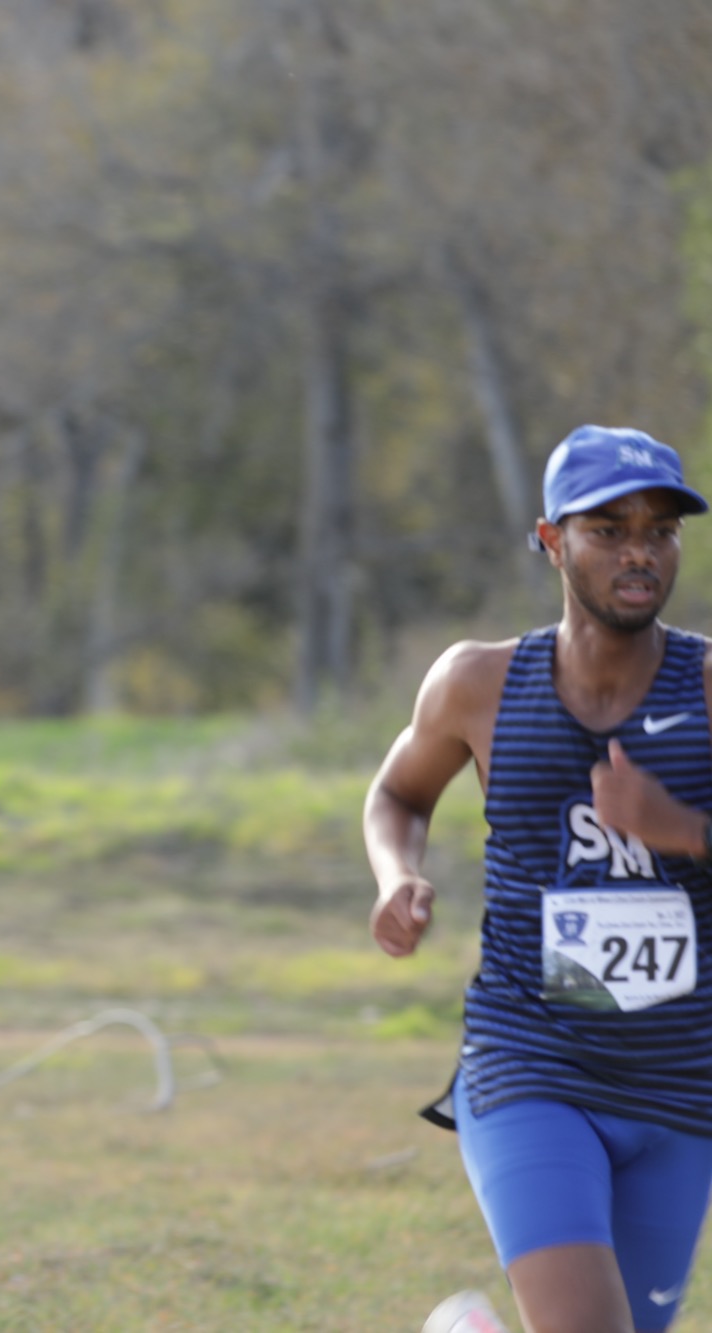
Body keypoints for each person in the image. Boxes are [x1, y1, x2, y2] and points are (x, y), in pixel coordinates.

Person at [366, 425, 712, 1333]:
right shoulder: (477, 683)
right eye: (608, 527)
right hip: (531, 1063)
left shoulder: (709, 685)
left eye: (661, 529)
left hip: (681, 1088)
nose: (641, 549)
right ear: (553, 539)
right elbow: (398, 792)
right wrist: (397, 873)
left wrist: (675, 829)